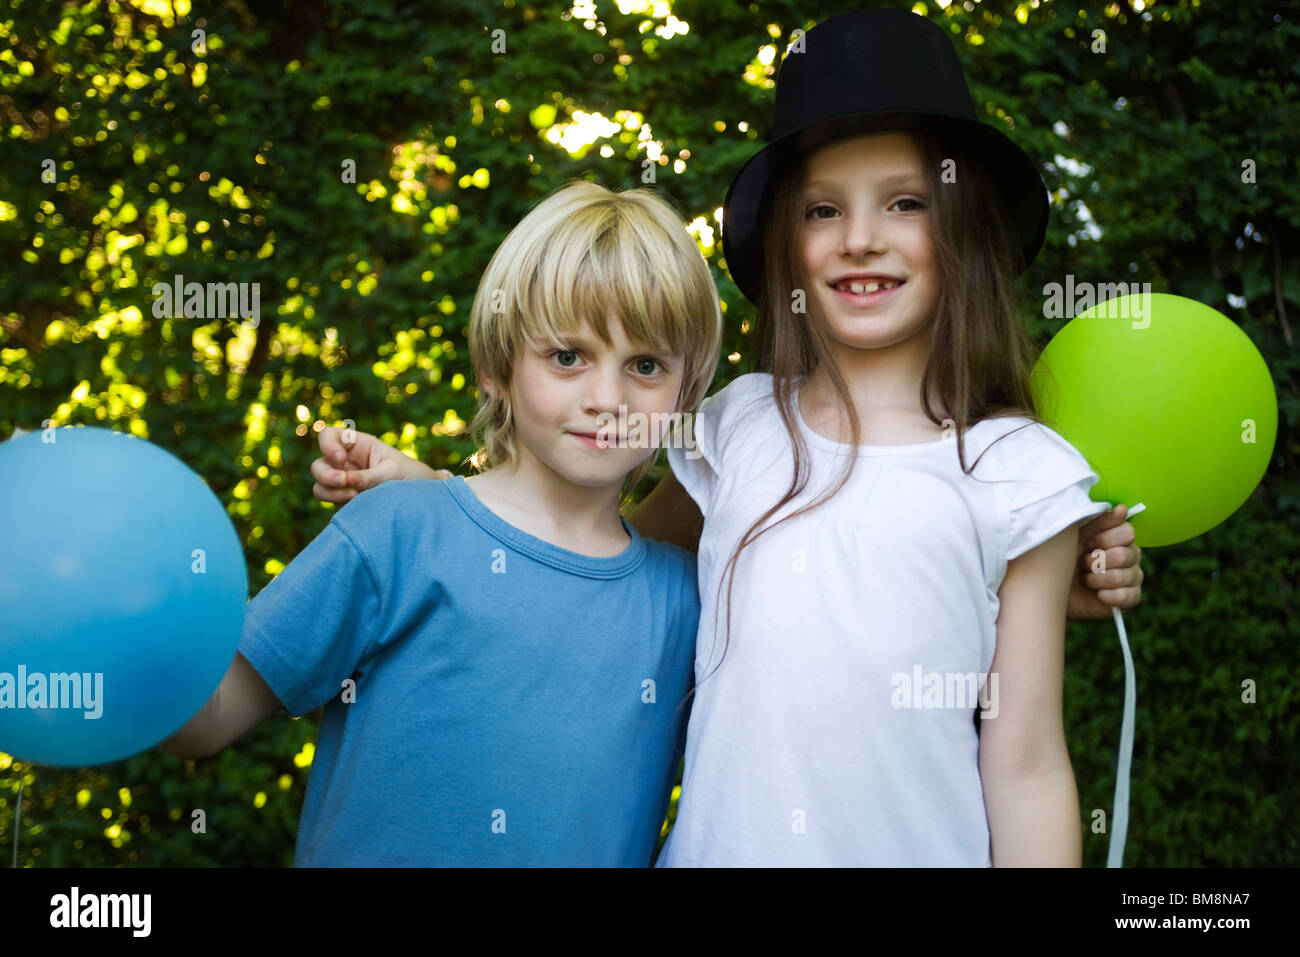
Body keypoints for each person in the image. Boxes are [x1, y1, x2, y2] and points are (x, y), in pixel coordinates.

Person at [312, 10, 1146, 866]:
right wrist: (443, 505)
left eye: (906, 202)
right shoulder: (738, 426)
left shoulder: (1022, 475)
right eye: (824, 209)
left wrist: (1046, 574)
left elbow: (1030, 766)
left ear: (963, 231)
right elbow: (601, 571)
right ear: (788, 241)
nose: (861, 236)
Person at [161, 180, 724, 866]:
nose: (606, 398)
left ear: (686, 392)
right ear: (496, 369)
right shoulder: (397, 531)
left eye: (645, 365)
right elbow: (212, 715)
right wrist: (122, 637)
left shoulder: (686, 603)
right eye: (567, 356)